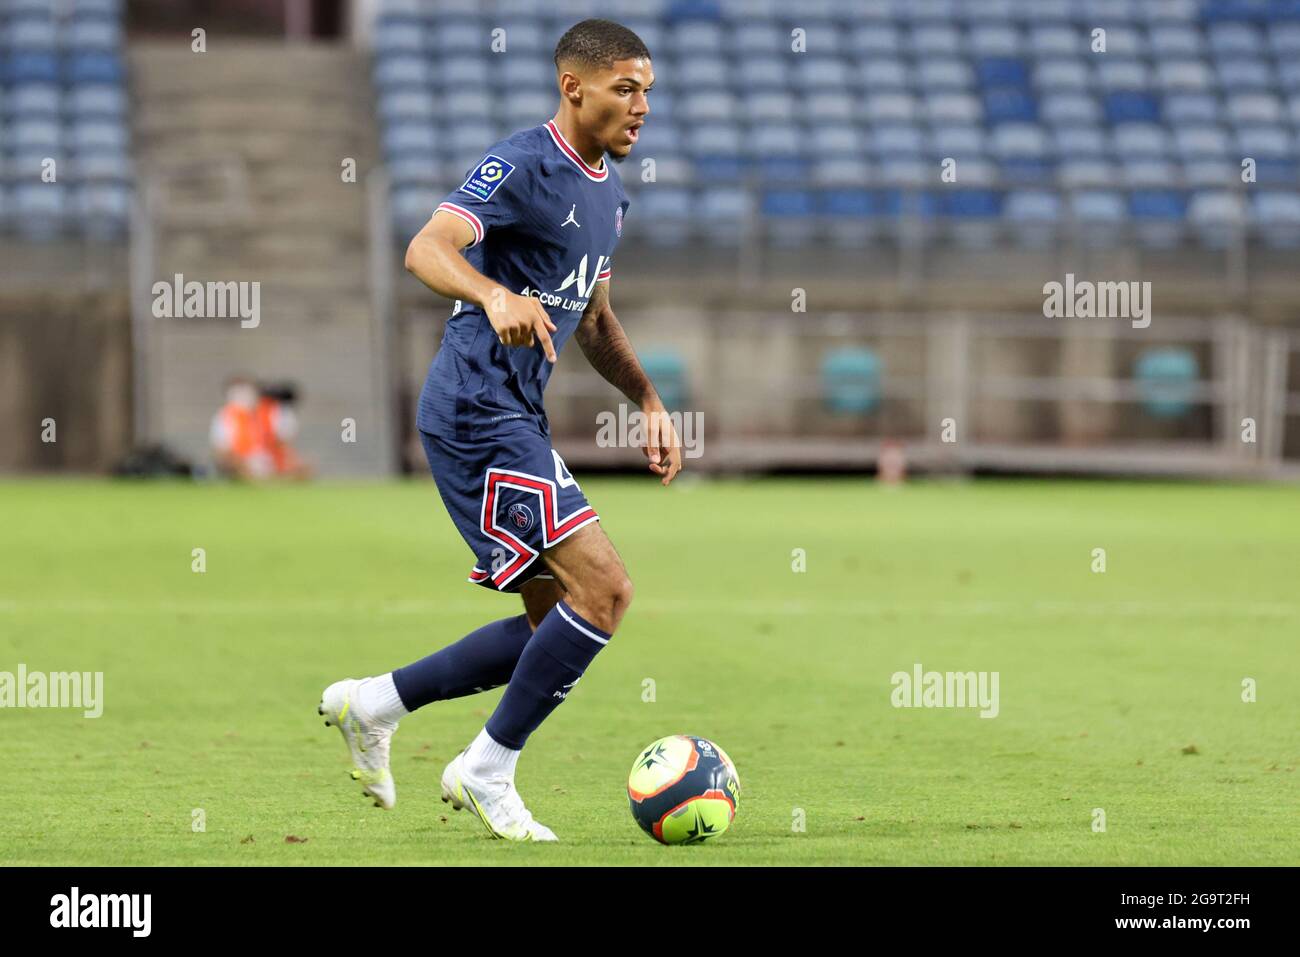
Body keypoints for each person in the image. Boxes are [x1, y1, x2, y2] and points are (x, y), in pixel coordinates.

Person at [319, 18, 680, 841]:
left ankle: (374, 703)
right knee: (608, 591)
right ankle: (486, 767)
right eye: (626, 88)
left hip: (512, 412)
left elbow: (592, 319)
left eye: (648, 90)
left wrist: (650, 402)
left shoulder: (607, 193)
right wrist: (491, 294)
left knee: (548, 624)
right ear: (574, 88)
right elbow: (426, 246)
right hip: (475, 409)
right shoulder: (524, 163)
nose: (641, 106)